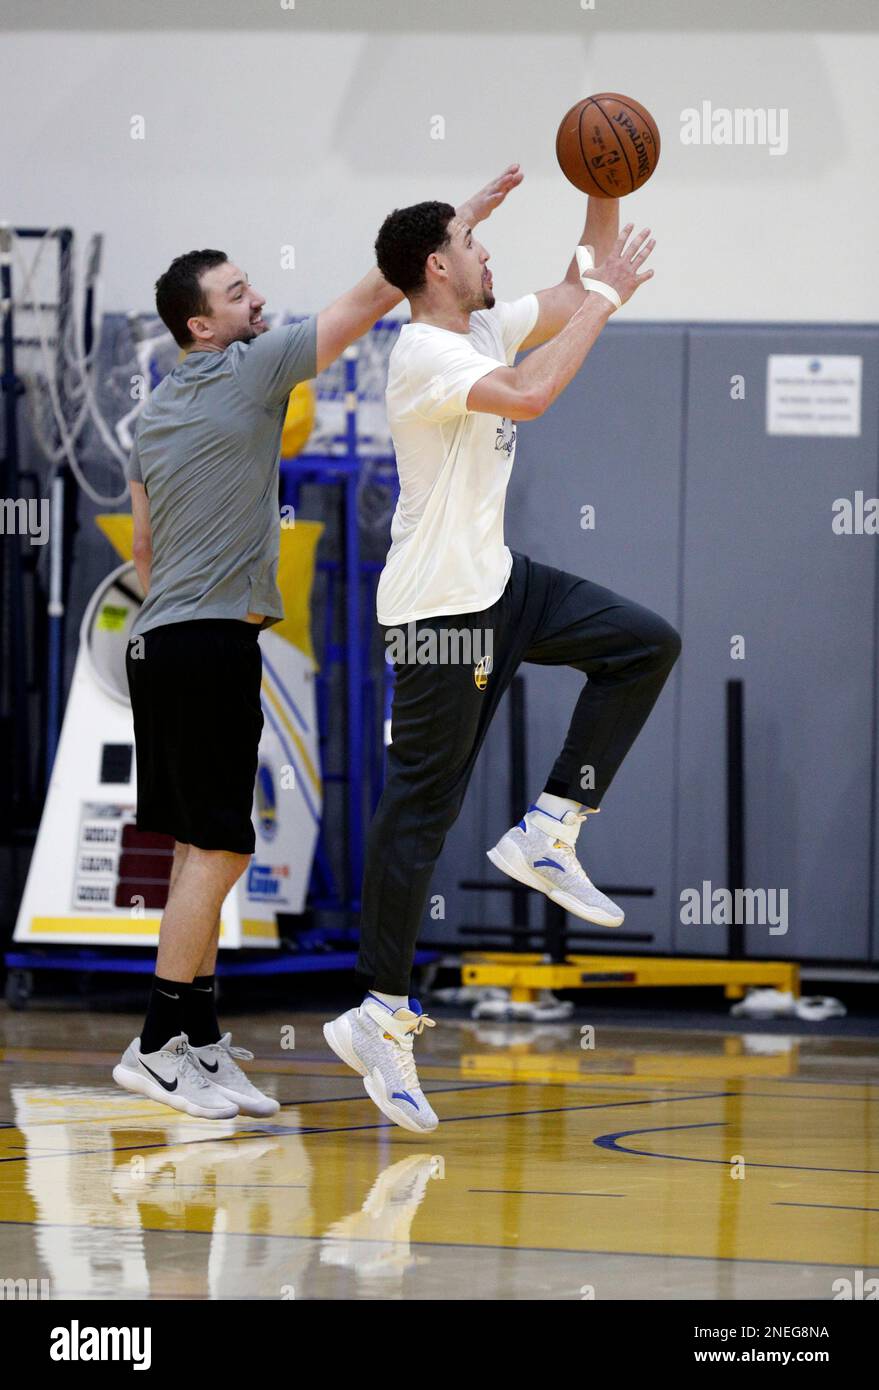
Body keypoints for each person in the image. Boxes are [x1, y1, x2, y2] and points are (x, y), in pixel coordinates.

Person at [112, 165, 523, 1120]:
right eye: (235, 294)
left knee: (196, 847)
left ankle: (200, 1039)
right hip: (208, 642)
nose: (257, 298)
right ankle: (158, 1042)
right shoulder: (250, 367)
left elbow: (140, 547)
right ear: (201, 328)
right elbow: (374, 293)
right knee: (217, 845)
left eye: (249, 284)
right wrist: (451, 226)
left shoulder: (153, 415)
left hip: (160, 640)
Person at [323, 192, 680, 1133]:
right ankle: (379, 1015)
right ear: (436, 266)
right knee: (419, 815)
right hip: (440, 612)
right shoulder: (427, 353)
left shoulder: (477, 321)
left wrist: (601, 188)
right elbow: (532, 391)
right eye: (470, 242)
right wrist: (606, 301)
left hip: (499, 584)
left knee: (644, 644)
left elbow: (572, 287)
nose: (486, 253)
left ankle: (550, 828)